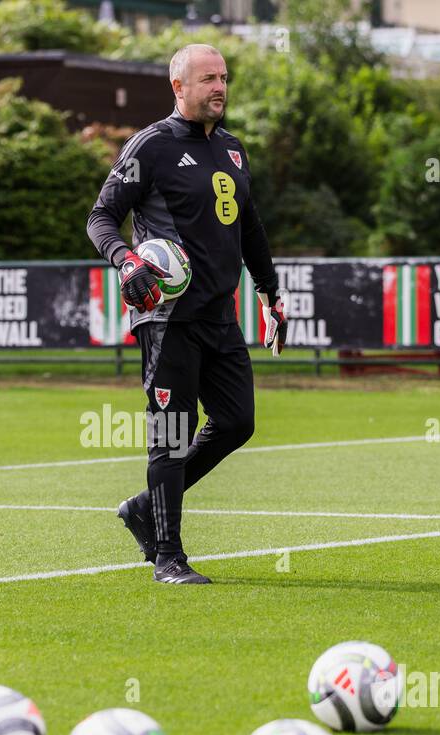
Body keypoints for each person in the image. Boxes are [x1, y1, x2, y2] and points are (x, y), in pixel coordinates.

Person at [86, 42, 288, 585]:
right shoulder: (150, 146)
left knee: (237, 422)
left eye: (224, 77)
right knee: (172, 432)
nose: (219, 87)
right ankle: (168, 557)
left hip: (221, 316)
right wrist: (126, 262)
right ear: (179, 87)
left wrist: (271, 294)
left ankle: (141, 507)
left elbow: (250, 229)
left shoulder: (233, 149)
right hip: (167, 316)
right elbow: (101, 216)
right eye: (208, 79)